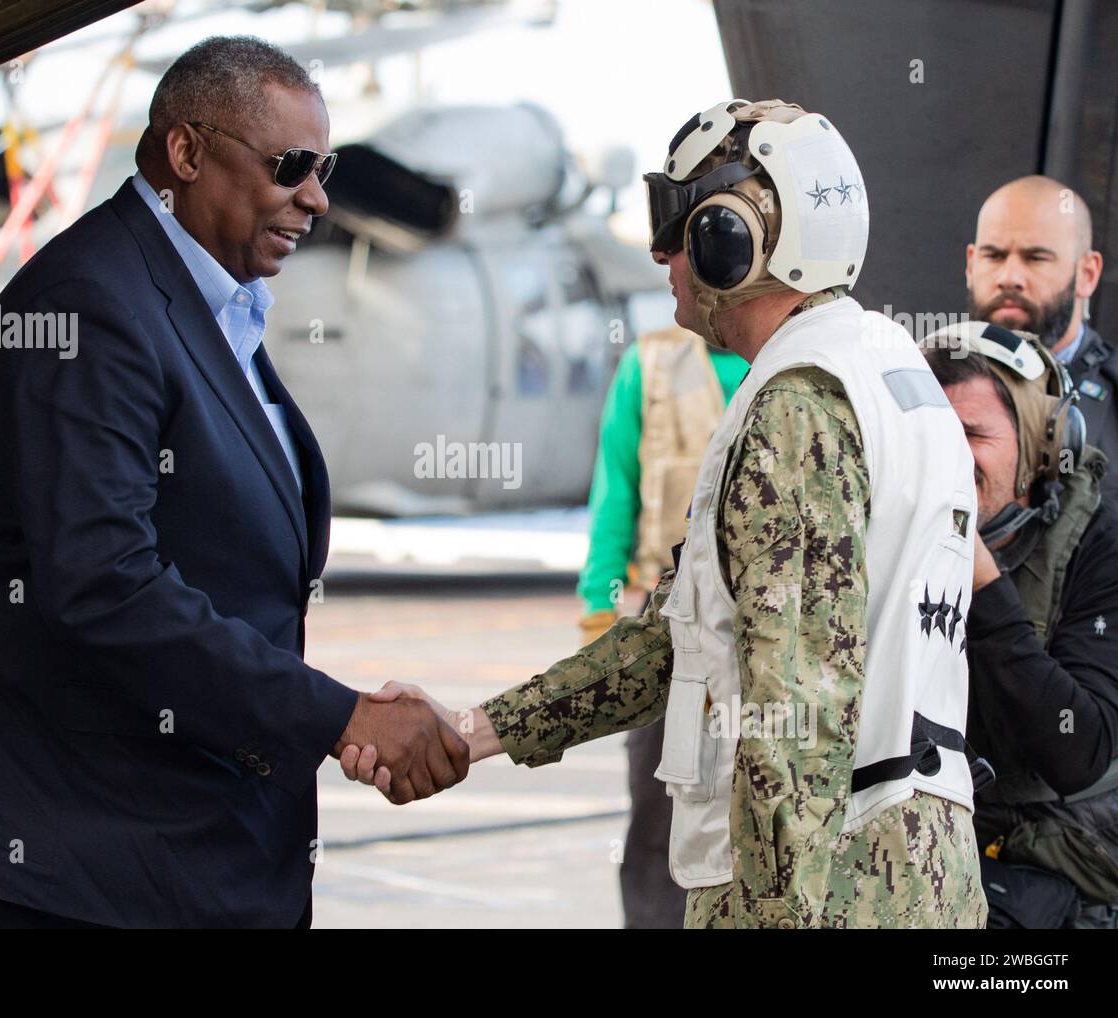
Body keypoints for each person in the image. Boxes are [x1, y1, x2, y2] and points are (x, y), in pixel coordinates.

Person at [0, 35, 467, 929]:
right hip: (49, 859)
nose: (317, 197)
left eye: (325, 167)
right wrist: (341, 717)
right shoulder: (92, 304)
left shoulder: (200, 304)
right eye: (290, 167)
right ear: (188, 153)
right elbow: (102, 584)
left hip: (144, 845)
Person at [341, 99, 988, 928]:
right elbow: (673, 641)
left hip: (827, 892)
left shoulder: (797, 410)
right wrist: (472, 730)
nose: (659, 254)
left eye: (676, 224)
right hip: (913, 871)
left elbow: (796, 722)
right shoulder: (883, 368)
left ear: (735, 241)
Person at [923, 321, 1118, 928]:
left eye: (970, 436)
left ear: (1040, 446)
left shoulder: (1099, 545)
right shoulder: (891, 536)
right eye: (928, 438)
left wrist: (981, 583)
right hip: (929, 850)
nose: (943, 460)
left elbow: (1078, 751)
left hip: (1057, 863)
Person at [577, 326, 744, 928]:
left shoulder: (795, 360)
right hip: (666, 630)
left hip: (768, 632)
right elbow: (616, 490)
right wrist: (601, 611)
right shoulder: (647, 365)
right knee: (657, 818)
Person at [966, 175, 1116, 504]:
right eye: (994, 256)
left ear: (1087, 274)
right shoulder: (924, 381)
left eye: (1036, 258)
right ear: (970, 264)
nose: (1009, 278)